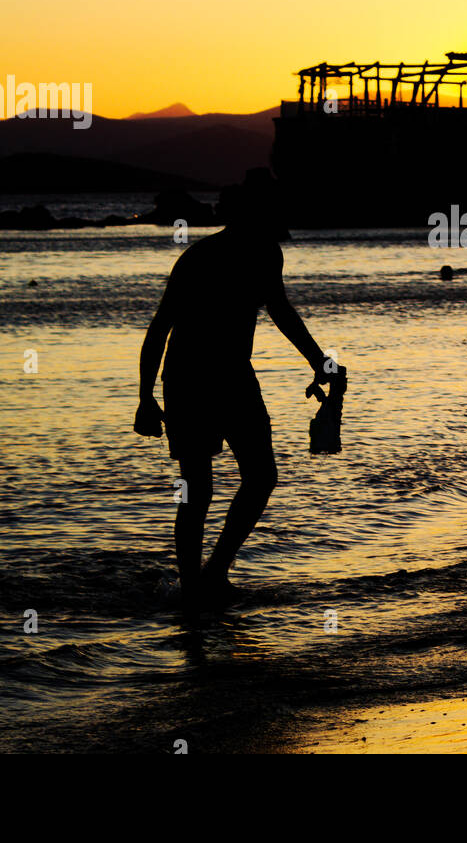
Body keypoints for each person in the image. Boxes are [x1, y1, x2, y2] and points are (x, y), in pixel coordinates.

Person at [134, 174, 341, 605]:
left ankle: (212, 574)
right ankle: (194, 586)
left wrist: (320, 362)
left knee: (260, 477)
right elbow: (160, 327)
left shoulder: (267, 252)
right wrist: (145, 397)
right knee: (198, 489)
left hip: (233, 375)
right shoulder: (199, 258)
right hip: (188, 377)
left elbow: (281, 310)